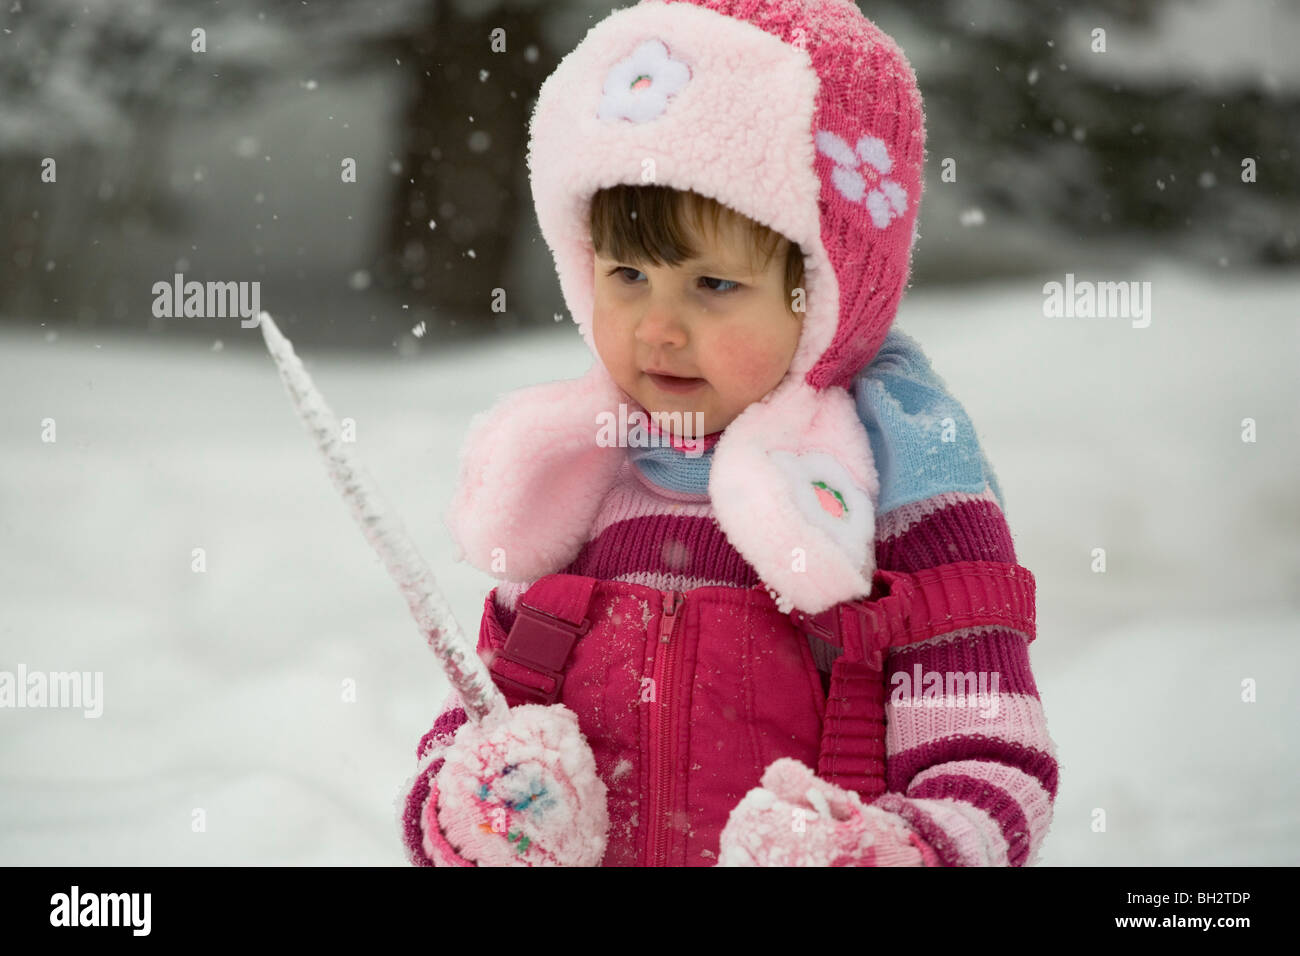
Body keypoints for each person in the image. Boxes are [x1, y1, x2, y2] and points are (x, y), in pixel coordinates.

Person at [397, 0, 1056, 867]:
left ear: (824, 290)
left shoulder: (892, 484)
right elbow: (477, 724)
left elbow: (990, 752)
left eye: (712, 285)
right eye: (627, 274)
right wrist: (479, 811)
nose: (658, 329)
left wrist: (906, 848)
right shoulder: (580, 473)